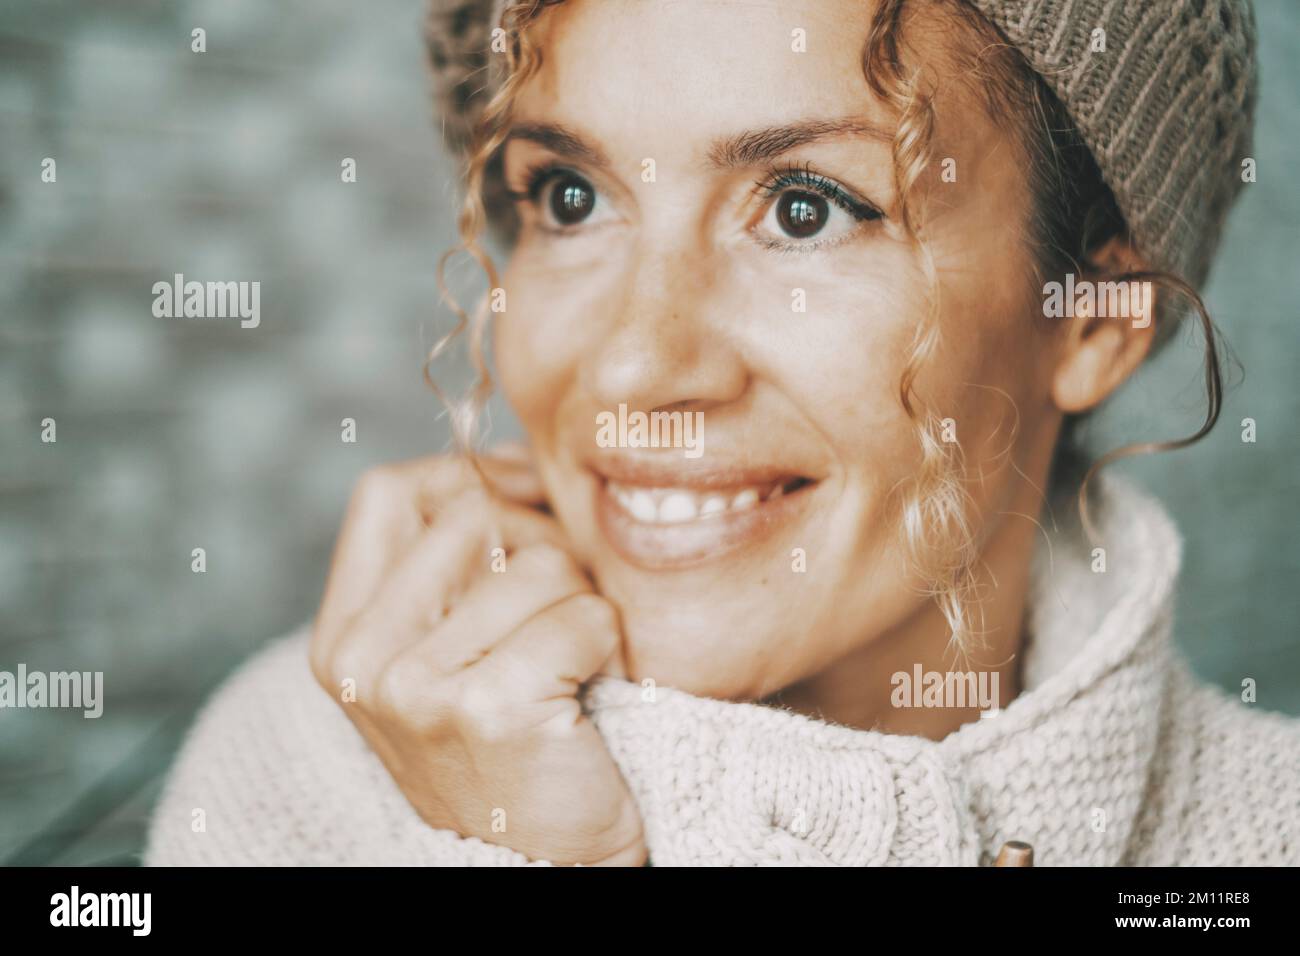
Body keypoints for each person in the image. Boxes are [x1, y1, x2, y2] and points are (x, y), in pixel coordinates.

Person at [145, 0, 1300, 866]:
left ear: (1091, 316)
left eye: (806, 207)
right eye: (570, 196)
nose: (635, 362)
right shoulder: (298, 778)